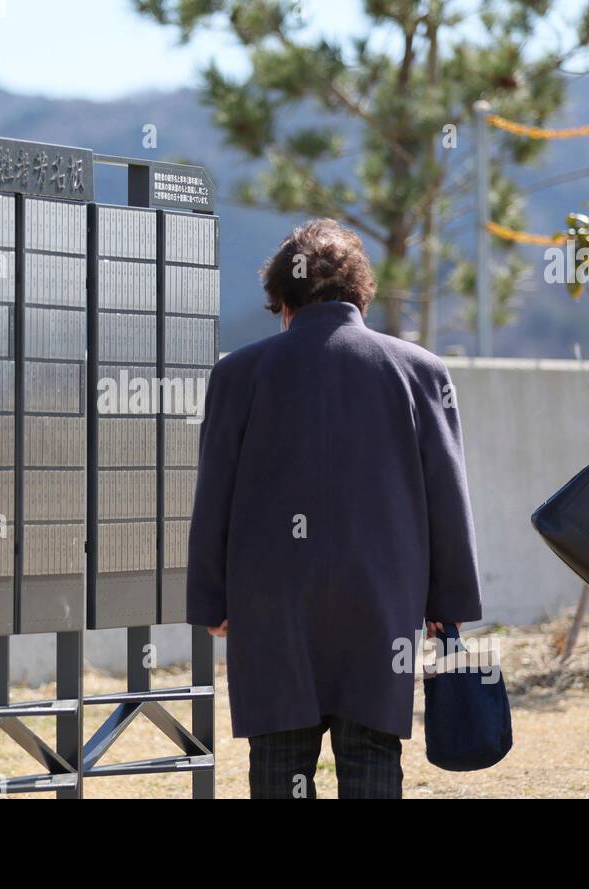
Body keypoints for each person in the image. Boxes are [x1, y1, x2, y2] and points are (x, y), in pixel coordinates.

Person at [186, 218, 483, 799]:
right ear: (360, 296)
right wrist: (448, 604)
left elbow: (213, 496)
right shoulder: (420, 371)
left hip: (271, 605)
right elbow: (446, 496)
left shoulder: (237, 374)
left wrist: (212, 597)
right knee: (372, 754)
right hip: (380, 603)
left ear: (283, 302)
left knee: (280, 762)